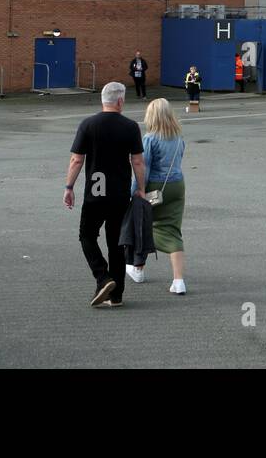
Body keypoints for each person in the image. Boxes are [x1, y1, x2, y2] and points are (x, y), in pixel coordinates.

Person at [64, 82, 147, 308]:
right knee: (116, 244)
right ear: (120, 101)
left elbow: (77, 159)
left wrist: (69, 187)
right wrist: (141, 188)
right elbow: (137, 161)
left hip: (95, 192)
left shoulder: (88, 125)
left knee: (87, 235)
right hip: (119, 194)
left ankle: (102, 277)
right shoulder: (130, 127)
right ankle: (116, 295)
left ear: (103, 100)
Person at [126, 98, 188, 293]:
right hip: (177, 186)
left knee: (142, 224)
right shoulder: (179, 137)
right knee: (172, 229)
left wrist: (135, 191)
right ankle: (179, 281)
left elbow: (143, 167)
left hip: (155, 186)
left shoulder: (150, 138)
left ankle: (138, 269)